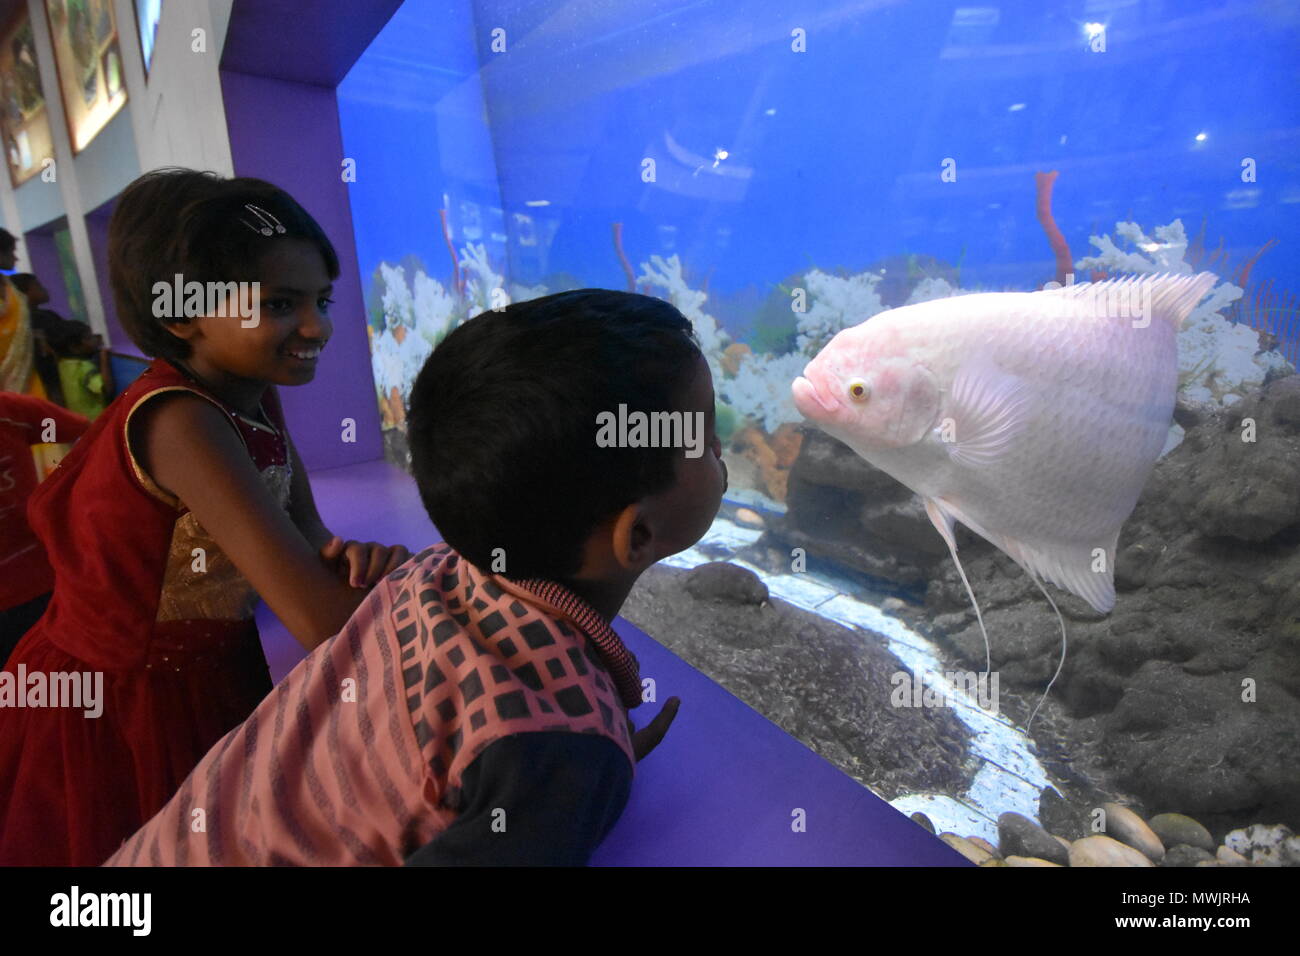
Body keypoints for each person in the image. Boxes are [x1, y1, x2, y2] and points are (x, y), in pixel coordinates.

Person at [106, 289, 722, 866]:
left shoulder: (432, 574)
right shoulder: (556, 753)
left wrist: (561, 766)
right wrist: (568, 776)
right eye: (709, 441)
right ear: (637, 534)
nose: (721, 454)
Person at [0, 168, 410, 866]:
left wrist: (357, 560)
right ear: (182, 314)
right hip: (128, 709)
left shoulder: (249, 400)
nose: (318, 326)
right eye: (281, 304)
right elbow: (320, 620)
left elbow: (312, 542)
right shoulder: (182, 420)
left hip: (210, 676)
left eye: (322, 299)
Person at [0, 392, 90, 665]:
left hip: (42, 586)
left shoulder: (10, 412)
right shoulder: (9, 411)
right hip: (43, 586)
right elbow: (81, 431)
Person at [10, 273, 110, 418]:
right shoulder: (37, 320)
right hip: (48, 379)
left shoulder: (27, 321)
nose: (44, 289)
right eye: (37, 286)